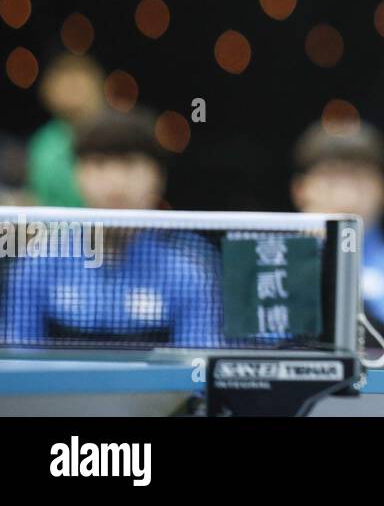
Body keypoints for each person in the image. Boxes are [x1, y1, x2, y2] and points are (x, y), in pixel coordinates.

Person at [1, 107, 222, 347]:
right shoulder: (38, 264)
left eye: (129, 165)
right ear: (77, 175)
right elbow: (19, 359)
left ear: (158, 176)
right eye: (99, 164)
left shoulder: (189, 271)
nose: (115, 184)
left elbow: (198, 364)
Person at [290, 120, 384, 350]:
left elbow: (381, 337)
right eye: (332, 180)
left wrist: (327, 256)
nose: (347, 197)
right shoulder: (271, 257)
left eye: (360, 180)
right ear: (301, 190)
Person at [26, 51, 105, 207]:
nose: (72, 92)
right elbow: (37, 195)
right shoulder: (43, 140)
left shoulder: (112, 135)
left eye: (77, 84)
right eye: (64, 83)